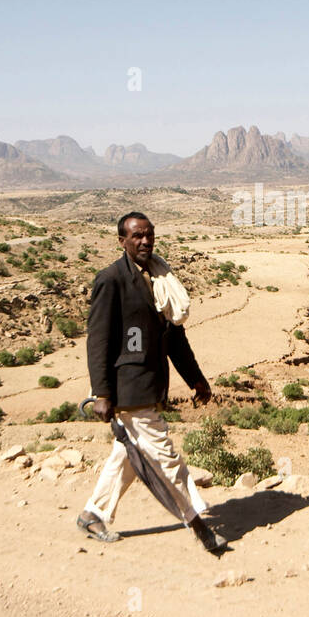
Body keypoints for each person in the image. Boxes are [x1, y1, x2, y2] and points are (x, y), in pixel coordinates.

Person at [77, 212, 228, 554]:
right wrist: (101, 392)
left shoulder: (161, 279)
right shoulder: (111, 280)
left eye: (149, 235)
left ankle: (93, 514)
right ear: (122, 241)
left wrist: (197, 379)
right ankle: (199, 523)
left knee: (128, 456)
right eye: (136, 236)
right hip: (128, 389)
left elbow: (174, 339)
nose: (145, 241)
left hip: (152, 385)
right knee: (164, 456)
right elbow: (97, 341)